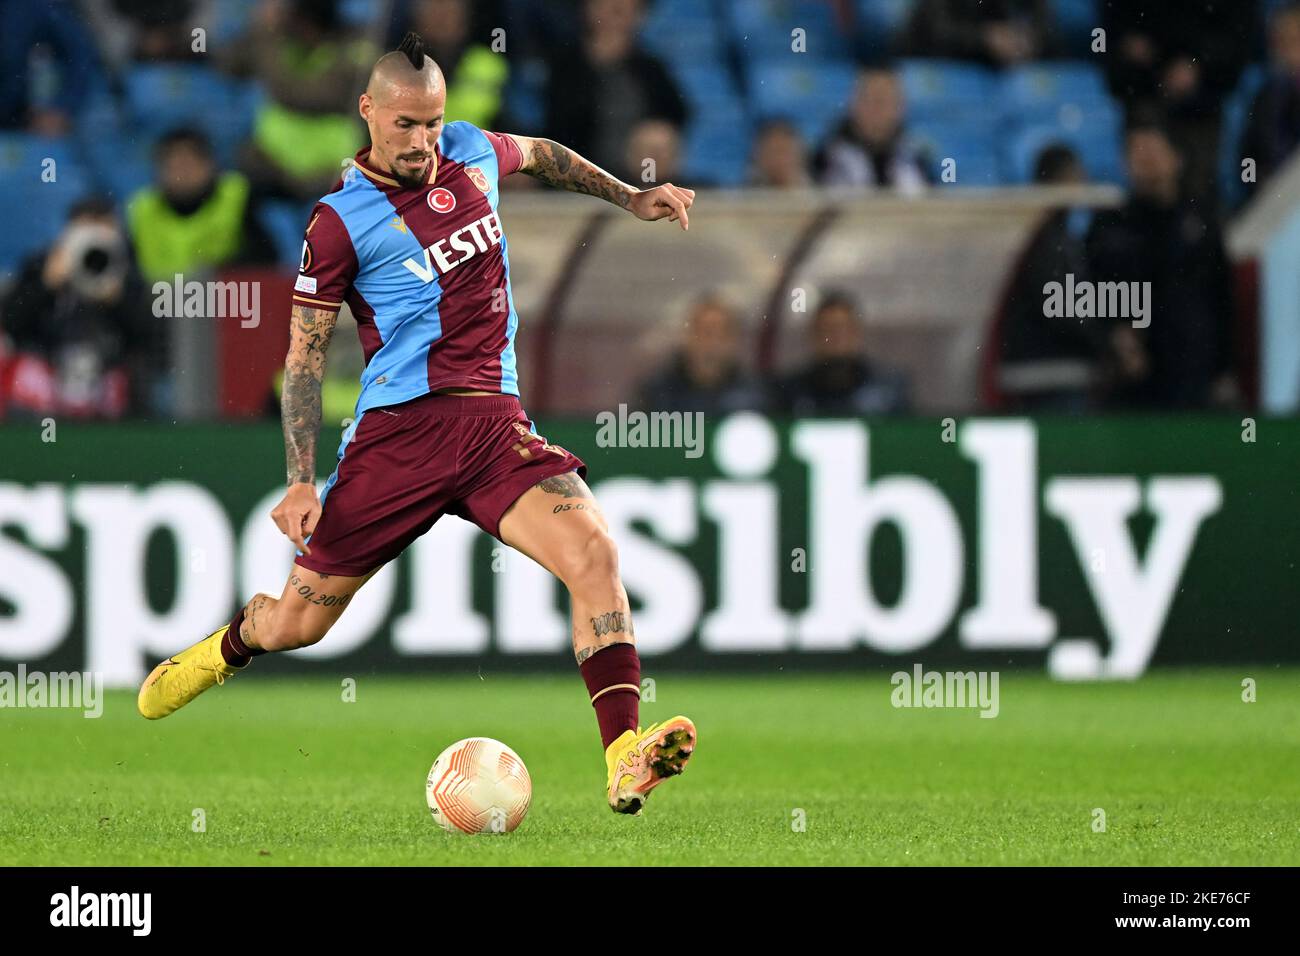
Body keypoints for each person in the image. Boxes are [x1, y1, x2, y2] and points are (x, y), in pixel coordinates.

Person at [137, 32, 698, 818]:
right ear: (368, 112)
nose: (421, 141)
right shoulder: (337, 223)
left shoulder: (469, 151)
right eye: (404, 124)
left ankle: (621, 756)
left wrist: (628, 196)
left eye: (431, 123)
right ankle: (223, 650)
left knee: (594, 552)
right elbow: (302, 358)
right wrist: (302, 479)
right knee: (299, 625)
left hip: (495, 424)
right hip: (399, 437)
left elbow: (540, 154)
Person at [1086, 123, 1236, 409]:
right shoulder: (1111, 225)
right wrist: (1117, 336)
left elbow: (1221, 295)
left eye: (1153, 152)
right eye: (1137, 154)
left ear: (1176, 158)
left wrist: (1224, 366)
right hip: (1134, 371)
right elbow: (1094, 291)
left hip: (1193, 364)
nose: (1146, 162)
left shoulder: (1201, 220)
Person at [0, 197, 156, 418]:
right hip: (48, 373)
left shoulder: (128, 270)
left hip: (107, 376)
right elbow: (11, 323)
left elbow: (147, 335)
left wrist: (117, 300)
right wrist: (46, 285)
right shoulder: (41, 265)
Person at [991, 145, 1109, 412]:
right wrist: (1105, 343)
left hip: (1039, 367)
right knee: (1062, 452)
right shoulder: (1048, 241)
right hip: (1049, 371)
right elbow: (1062, 307)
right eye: (1076, 177)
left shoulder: (1048, 236)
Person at [543, 0, 687, 176]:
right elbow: (558, 126)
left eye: (623, 9)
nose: (614, 14)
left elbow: (675, 116)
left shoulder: (651, 68)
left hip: (638, 175)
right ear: (587, 9)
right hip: (580, 173)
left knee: (657, 138)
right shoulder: (566, 66)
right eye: (606, 6)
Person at [125, 127, 277, 282]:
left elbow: (266, 259)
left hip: (227, 298)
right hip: (158, 301)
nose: (183, 174)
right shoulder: (141, 209)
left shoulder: (238, 196)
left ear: (210, 165)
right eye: (174, 166)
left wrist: (221, 270)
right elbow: (128, 272)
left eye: (189, 164)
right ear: (158, 171)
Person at [772, 292, 910, 415]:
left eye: (843, 329)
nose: (836, 337)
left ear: (857, 333)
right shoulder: (791, 391)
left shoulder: (887, 391)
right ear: (814, 335)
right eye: (828, 329)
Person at [638, 295, 768, 415]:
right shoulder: (658, 392)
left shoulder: (754, 394)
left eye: (722, 333)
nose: (712, 343)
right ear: (687, 336)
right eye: (705, 332)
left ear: (734, 340)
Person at [815, 67, 931, 193]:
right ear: (853, 104)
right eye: (870, 99)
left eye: (884, 101)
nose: (877, 109)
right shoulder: (826, 157)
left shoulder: (915, 156)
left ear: (901, 108)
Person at [1242, 2, 1300, 193]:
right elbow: (1246, 158)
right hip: (1280, 198)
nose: (1287, 50)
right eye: (1280, 41)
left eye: (1294, 39)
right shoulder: (1264, 96)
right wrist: (1254, 183)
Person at [749, 118, 812, 189]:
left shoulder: (818, 191)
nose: (779, 159)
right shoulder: (746, 193)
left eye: (784, 151)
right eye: (772, 153)